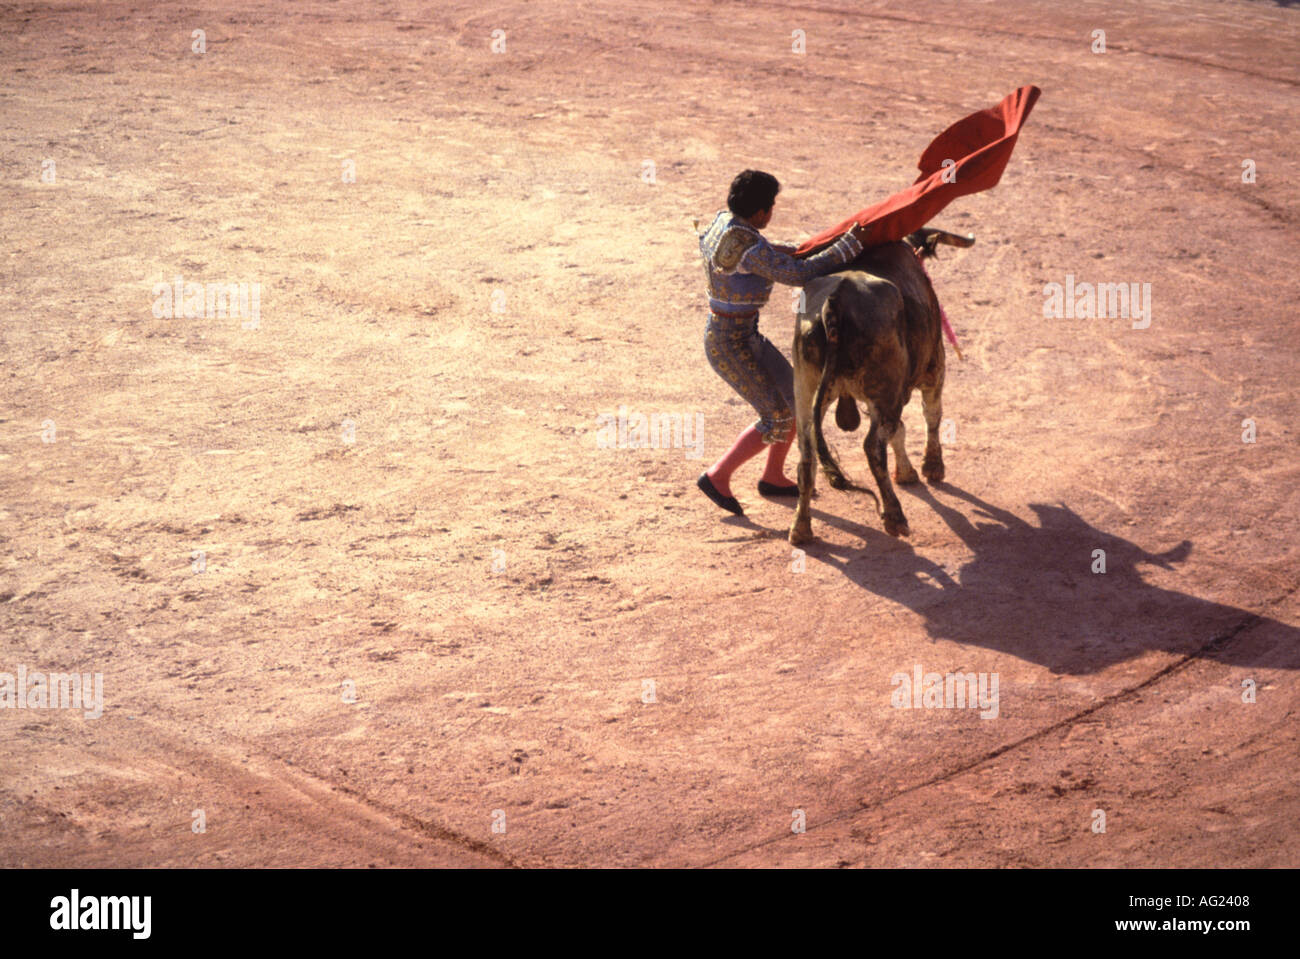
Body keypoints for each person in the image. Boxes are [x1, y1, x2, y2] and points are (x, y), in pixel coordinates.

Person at [696, 170, 869, 516]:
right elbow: (796, 275)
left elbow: (771, 254)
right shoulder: (745, 244)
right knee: (776, 417)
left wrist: (809, 249)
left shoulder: (726, 224)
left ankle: (773, 475)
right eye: (771, 205)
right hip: (731, 344)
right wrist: (845, 248)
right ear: (761, 212)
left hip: (742, 335)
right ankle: (717, 476)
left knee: (795, 401)